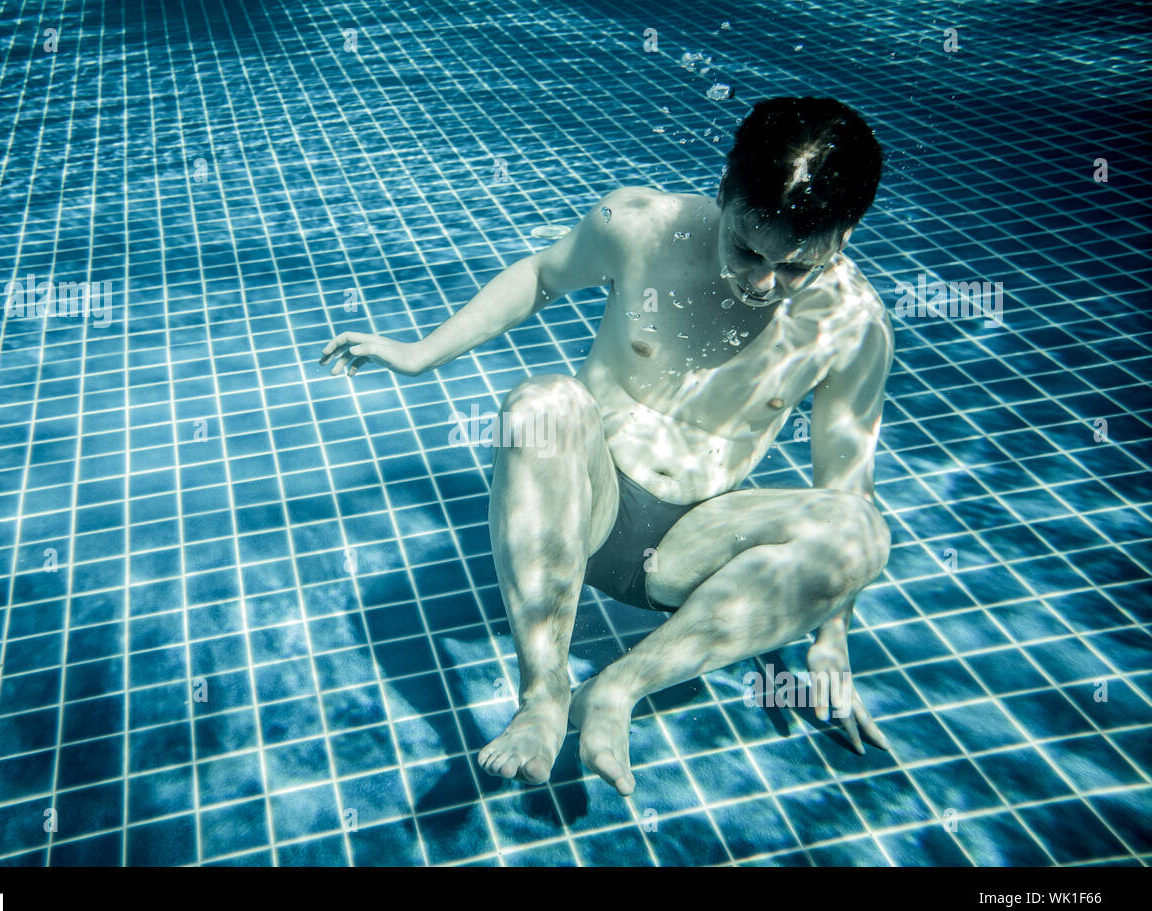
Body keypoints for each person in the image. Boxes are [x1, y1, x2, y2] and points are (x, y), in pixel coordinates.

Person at [320, 96, 893, 796]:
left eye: (798, 267)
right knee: (544, 404)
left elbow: (845, 484)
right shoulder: (642, 227)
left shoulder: (852, 325)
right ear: (724, 191)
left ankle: (618, 689)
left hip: (691, 552)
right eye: (747, 248)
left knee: (861, 531)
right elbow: (541, 275)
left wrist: (831, 639)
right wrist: (421, 354)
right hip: (585, 506)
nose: (763, 283)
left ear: (844, 236)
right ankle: (543, 695)